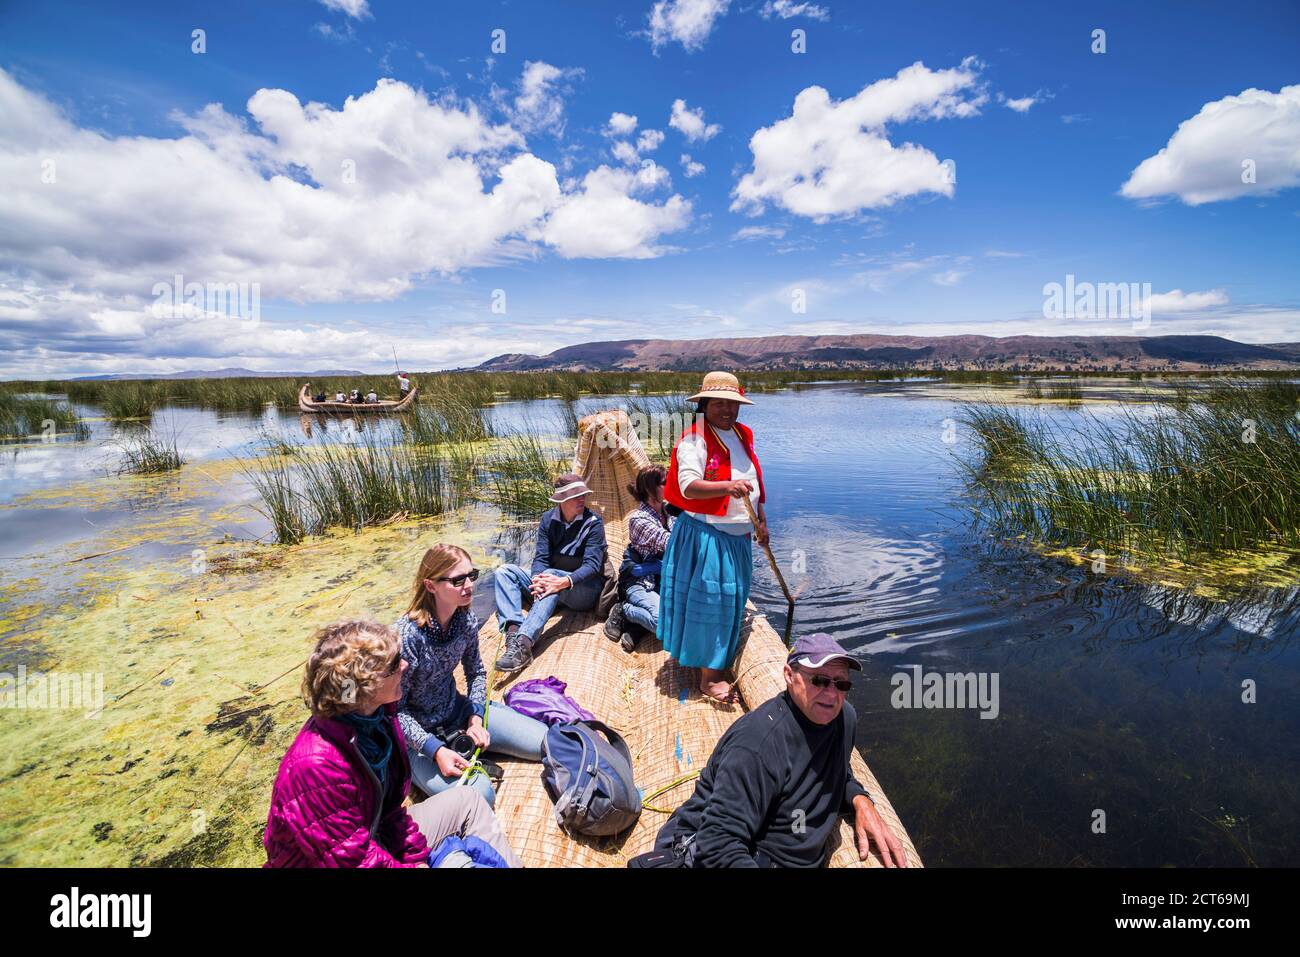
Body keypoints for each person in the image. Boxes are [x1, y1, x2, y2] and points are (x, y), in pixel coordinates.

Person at [264, 618, 521, 867]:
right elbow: (356, 860)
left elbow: (388, 812)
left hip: (375, 834)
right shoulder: (316, 765)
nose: (406, 666)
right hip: (343, 858)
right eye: (395, 663)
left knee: (469, 800)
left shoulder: (379, 716)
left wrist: (413, 852)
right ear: (365, 685)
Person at [651, 633, 908, 869]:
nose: (831, 694)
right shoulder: (758, 746)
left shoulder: (844, 719)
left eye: (841, 684)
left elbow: (838, 769)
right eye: (819, 680)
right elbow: (717, 845)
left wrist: (860, 800)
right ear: (788, 675)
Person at [396, 544, 548, 808]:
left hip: (459, 713)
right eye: (458, 580)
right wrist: (435, 750)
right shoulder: (408, 637)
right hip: (418, 738)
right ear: (431, 586)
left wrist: (475, 719)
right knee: (481, 796)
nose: (469, 585)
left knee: (543, 742)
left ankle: (477, 740)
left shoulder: (464, 621)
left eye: (471, 575)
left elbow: (476, 672)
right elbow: (395, 712)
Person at [658, 371, 769, 702]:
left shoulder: (740, 434)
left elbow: (754, 483)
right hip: (708, 536)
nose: (727, 409)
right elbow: (689, 486)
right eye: (719, 403)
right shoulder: (695, 440)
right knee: (713, 604)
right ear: (704, 405)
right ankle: (709, 678)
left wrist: (761, 522)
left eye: (732, 403)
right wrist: (727, 486)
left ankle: (712, 657)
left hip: (739, 538)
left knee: (732, 600)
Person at [493, 473, 607, 672]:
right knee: (504, 572)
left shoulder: (593, 523)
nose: (582, 499)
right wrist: (537, 579)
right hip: (553, 583)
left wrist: (562, 582)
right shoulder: (548, 519)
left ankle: (525, 645)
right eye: (575, 496)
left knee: (552, 574)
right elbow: (541, 558)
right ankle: (512, 631)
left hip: (583, 589)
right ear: (562, 500)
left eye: (583, 495)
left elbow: (592, 566)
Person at [605, 465, 673, 652]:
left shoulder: (667, 512)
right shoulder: (640, 519)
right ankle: (625, 610)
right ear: (651, 489)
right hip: (641, 582)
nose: (671, 485)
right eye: (666, 483)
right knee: (665, 628)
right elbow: (671, 543)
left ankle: (637, 630)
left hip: (665, 581)